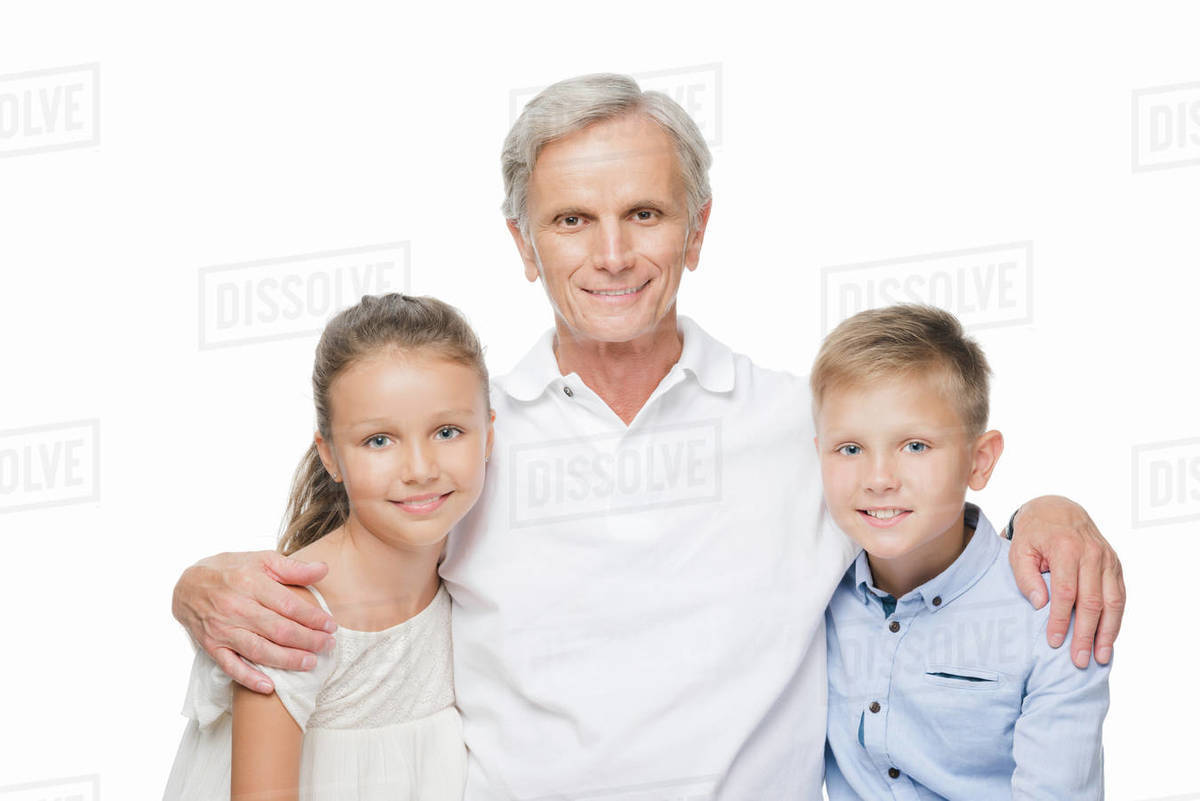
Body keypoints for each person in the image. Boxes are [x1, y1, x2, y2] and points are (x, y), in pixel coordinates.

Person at [170, 74, 1125, 799]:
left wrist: (1048, 510)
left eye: (645, 213)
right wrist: (199, 586)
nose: (613, 254)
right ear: (523, 245)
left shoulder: (801, 426)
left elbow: (924, 496)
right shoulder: (462, 448)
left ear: (696, 230)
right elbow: (354, 577)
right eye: (572, 220)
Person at [164, 293, 493, 800]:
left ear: (488, 436)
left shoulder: (474, 573)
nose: (420, 469)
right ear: (331, 456)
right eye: (379, 440)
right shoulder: (291, 618)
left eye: (447, 431)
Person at [813, 304, 1110, 799]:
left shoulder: (1049, 612)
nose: (879, 479)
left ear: (979, 460)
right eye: (850, 449)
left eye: (915, 446)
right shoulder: (814, 587)